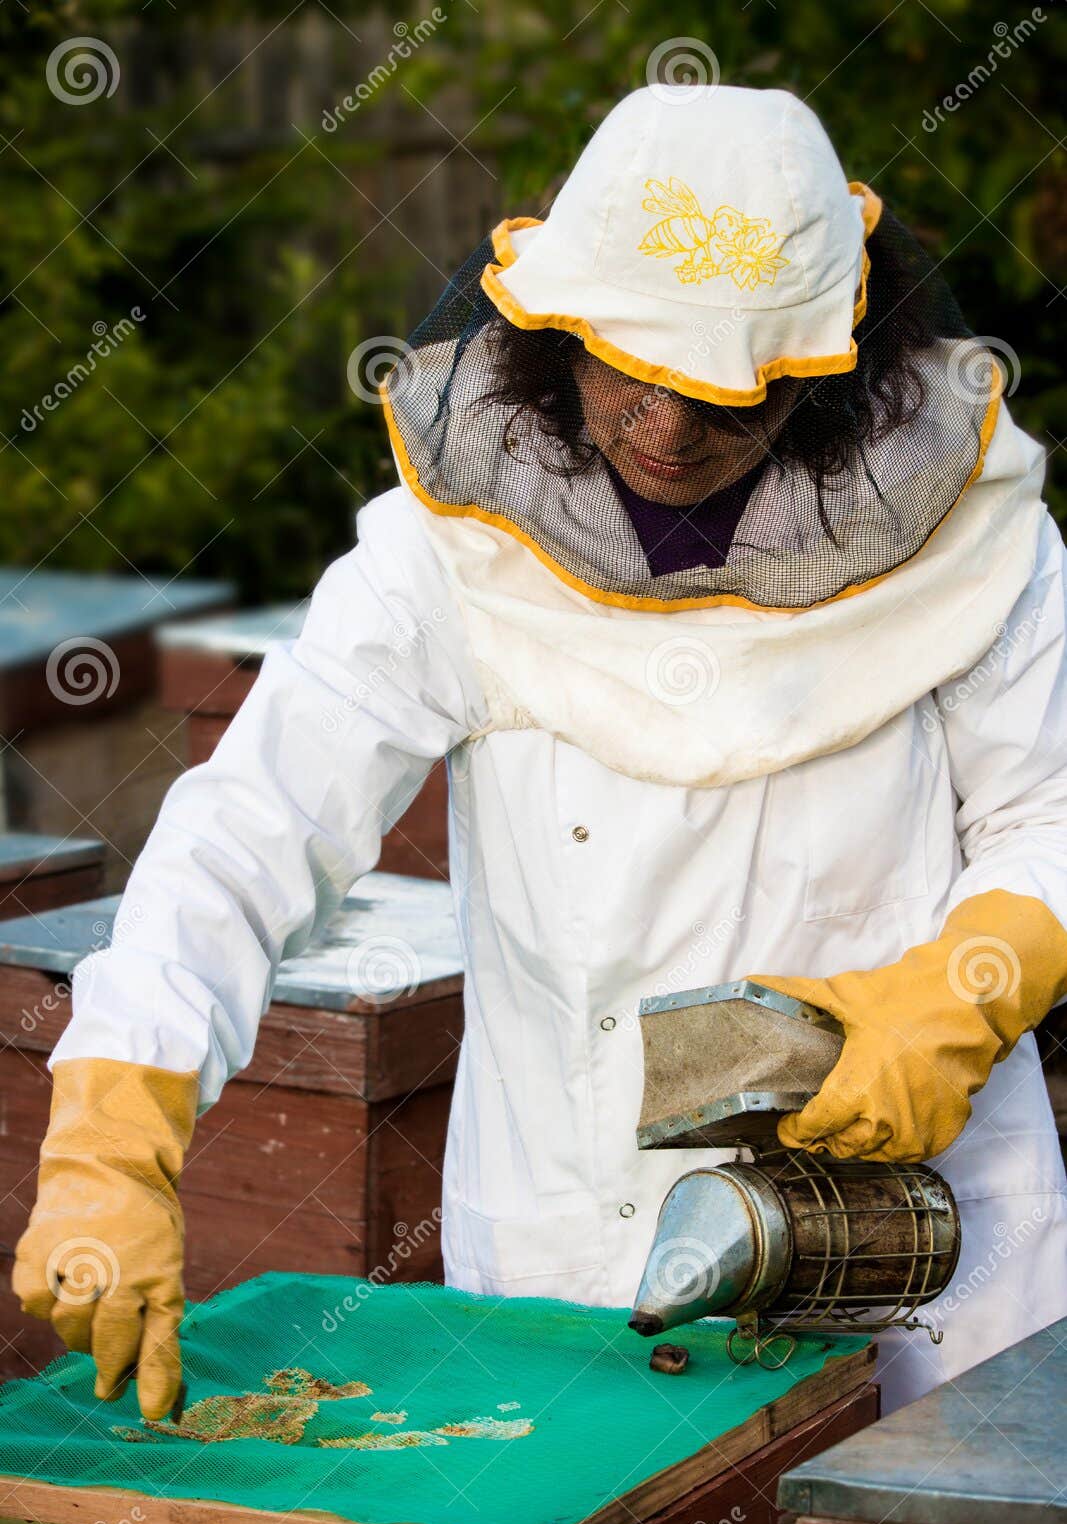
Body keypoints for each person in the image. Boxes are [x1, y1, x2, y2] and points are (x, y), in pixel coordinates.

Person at [14, 85, 1067, 1421]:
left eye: (726, 395)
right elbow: (254, 822)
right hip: (574, 1258)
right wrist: (118, 1113)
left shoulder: (976, 539)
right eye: (627, 364)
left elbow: (1054, 812)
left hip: (922, 1259)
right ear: (553, 324)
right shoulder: (441, 553)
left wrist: (960, 994)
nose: (667, 428)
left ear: (825, 372)